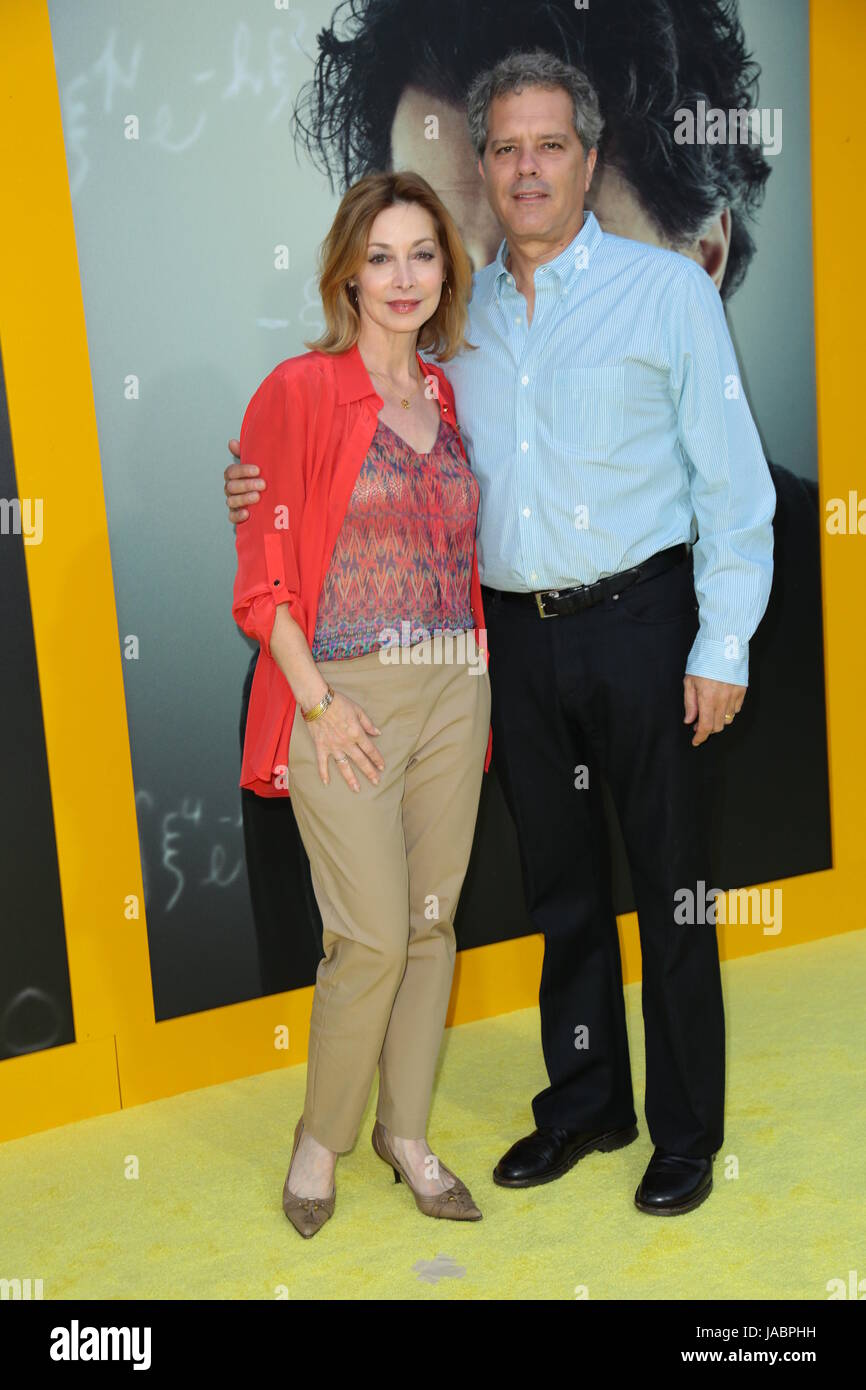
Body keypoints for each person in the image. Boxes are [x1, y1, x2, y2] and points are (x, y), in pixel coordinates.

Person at [227, 0, 828, 1004]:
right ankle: (579, 1105)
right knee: (563, 908)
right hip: (493, 655)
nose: (455, 281)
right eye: (434, 250)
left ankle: (681, 1140)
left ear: (701, 254)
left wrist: (716, 641)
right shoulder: (313, 671)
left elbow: (730, 497)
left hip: (656, 636)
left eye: (546, 166)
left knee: (671, 902)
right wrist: (278, 478)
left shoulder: (813, 626)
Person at [232, 169, 492, 1236]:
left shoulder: (446, 392)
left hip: (454, 690)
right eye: (379, 255)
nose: (401, 276)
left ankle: (408, 1132)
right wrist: (319, 705)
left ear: (445, 268)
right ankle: (319, 1137)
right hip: (336, 692)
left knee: (432, 928)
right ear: (346, 267)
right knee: (373, 938)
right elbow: (262, 582)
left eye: (421, 253)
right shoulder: (296, 390)